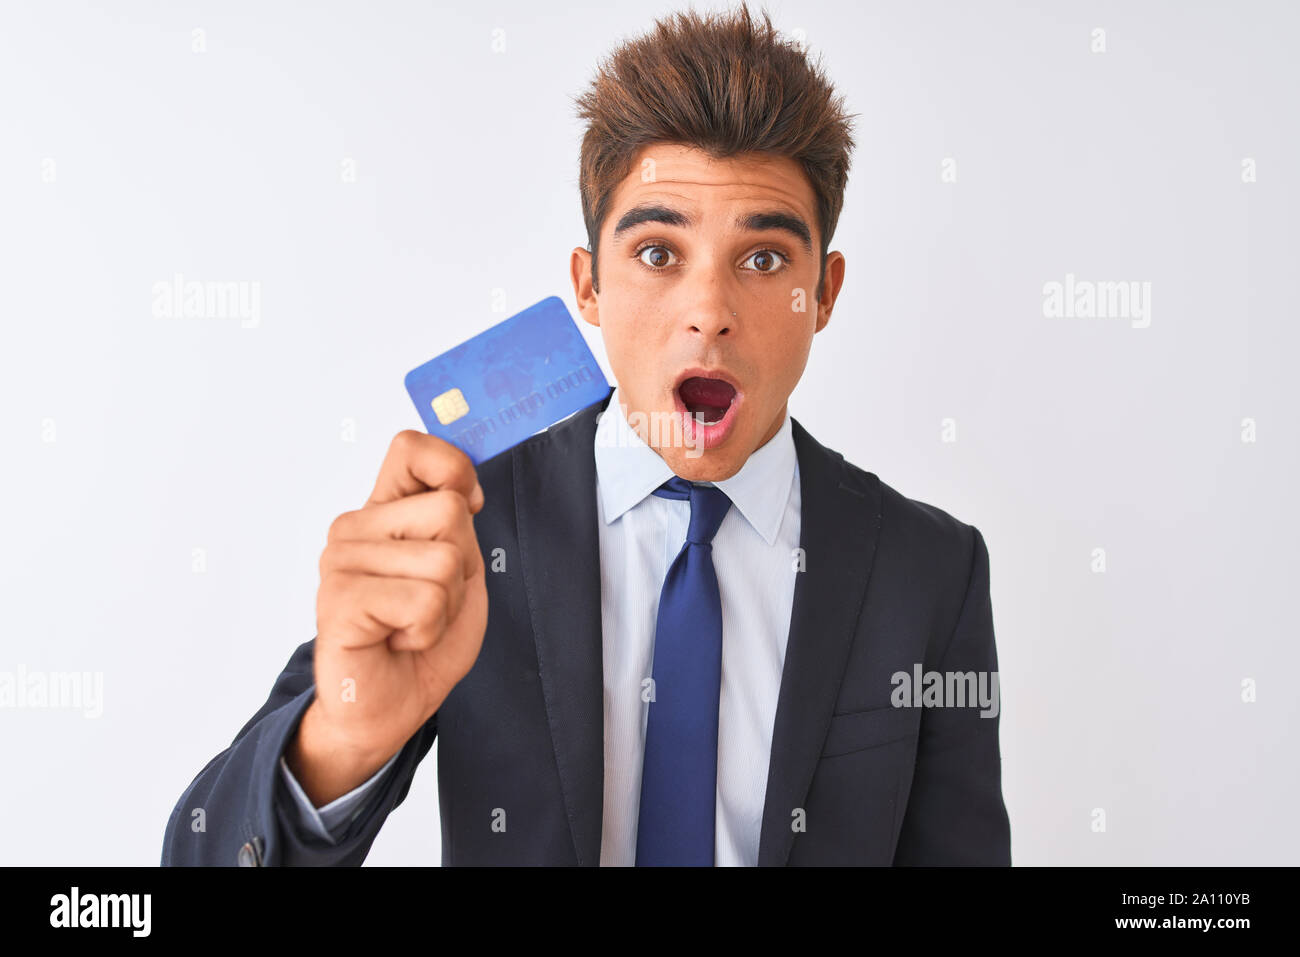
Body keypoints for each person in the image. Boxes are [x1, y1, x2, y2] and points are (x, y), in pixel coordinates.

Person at [162, 3, 1011, 867]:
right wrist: (342, 735)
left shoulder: (928, 570)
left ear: (822, 294)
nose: (709, 314)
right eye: (656, 253)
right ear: (590, 286)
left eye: (763, 260)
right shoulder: (468, 525)